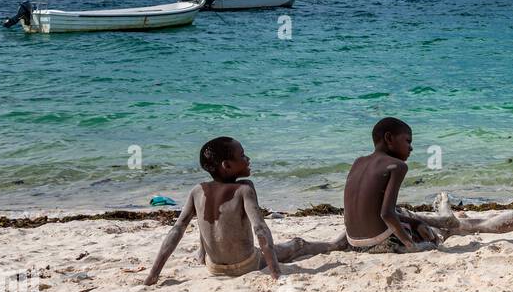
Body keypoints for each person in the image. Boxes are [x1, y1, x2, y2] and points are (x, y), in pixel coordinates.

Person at [144, 137, 341, 283]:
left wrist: (153, 275)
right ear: (227, 165)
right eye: (242, 155)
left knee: (207, 218)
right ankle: (335, 245)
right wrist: (275, 272)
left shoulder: (197, 191)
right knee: (298, 244)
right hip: (246, 264)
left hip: (213, 267)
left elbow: (177, 230)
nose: (248, 159)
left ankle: (201, 255)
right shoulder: (244, 189)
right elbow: (260, 229)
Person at [341, 117, 450, 252]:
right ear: (389, 138)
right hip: (381, 241)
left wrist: (416, 222)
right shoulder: (398, 166)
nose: (411, 148)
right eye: (407, 141)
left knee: (411, 222)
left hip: (353, 243)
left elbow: (369, 210)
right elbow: (386, 214)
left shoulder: (358, 162)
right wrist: (411, 246)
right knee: (431, 239)